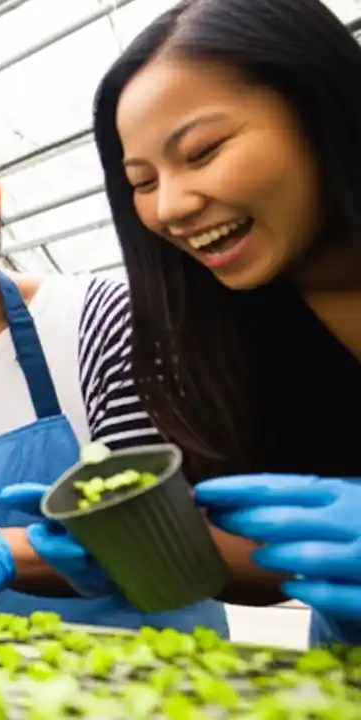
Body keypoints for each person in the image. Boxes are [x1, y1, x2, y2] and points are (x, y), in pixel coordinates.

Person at [0, 76, 283, 634]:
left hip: (165, 665)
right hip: (7, 671)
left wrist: (2, 551)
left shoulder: (96, 324)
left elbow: (163, 539)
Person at [90, 0, 360, 645]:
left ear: (319, 107)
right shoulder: (236, 340)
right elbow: (267, 568)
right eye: (142, 180)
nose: (173, 206)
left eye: (203, 150)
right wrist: (121, 550)